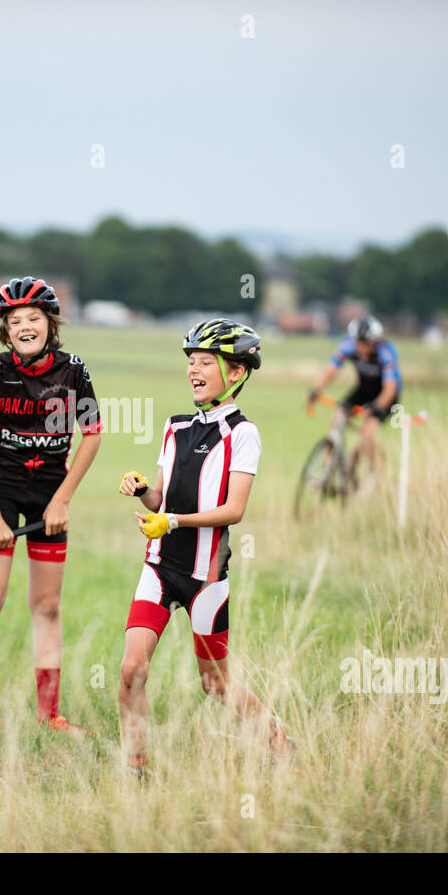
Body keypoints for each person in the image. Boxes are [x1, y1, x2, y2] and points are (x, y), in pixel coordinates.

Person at [116, 318, 291, 776]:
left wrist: (170, 520)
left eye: (205, 362)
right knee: (131, 669)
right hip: (158, 568)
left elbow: (234, 510)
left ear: (235, 373)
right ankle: (136, 767)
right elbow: (161, 498)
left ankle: (274, 739)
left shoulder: (243, 434)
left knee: (214, 684)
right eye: (191, 361)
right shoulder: (174, 428)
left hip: (206, 578)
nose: (194, 369)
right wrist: (142, 492)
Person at [0, 277, 103, 736]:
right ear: (5, 331)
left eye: (33, 318)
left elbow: (92, 436)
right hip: (0, 489)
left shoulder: (73, 370)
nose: (24, 326)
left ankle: (49, 713)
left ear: (50, 324)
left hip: (50, 495)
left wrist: (62, 501)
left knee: (46, 605)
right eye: (14, 321)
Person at [307, 316, 401, 484]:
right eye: (359, 343)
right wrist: (317, 389)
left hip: (385, 395)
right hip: (363, 390)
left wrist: (376, 407)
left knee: (368, 431)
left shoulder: (386, 352)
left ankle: (375, 473)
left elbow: (390, 388)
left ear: (375, 341)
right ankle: (327, 471)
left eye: (366, 343)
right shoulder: (348, 345)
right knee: (338, 417)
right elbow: (332, 369)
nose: (361, 348)